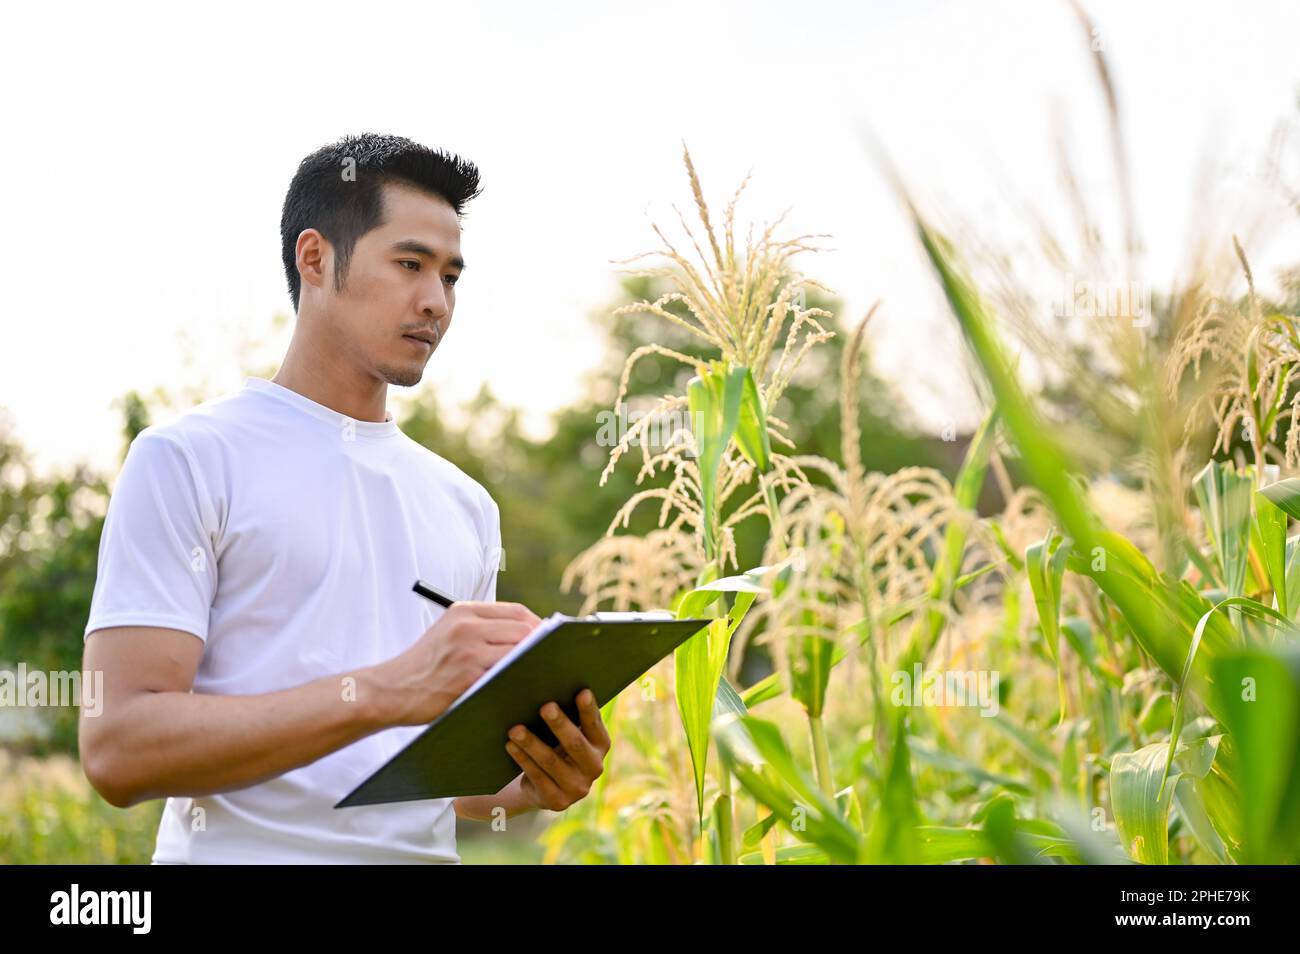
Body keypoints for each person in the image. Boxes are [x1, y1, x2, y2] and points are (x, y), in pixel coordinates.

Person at [79, 132, 609, 864]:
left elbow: (448, 786)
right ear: (316, 258)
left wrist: (534, 776)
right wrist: (388, 690)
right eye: (409, 264)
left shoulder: (465, 505)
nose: (435, 302)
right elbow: (118, 749)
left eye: (451, 276)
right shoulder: (187, 461)